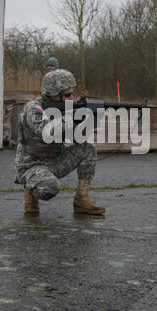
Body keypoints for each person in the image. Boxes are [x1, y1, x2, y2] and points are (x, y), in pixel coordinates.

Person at [15, 68, 104, 216]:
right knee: (51, 187)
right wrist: (69, 117)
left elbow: (76, 139)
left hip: (54, 161)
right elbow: (45, 132)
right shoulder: (33, 109)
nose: (72, 98)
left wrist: (84, 122)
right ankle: (30, 191)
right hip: (31, 165)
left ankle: (81, 199)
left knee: (88, 149)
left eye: (72, 94)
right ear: (55, 94)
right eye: (68, 95)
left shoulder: (67, 109)